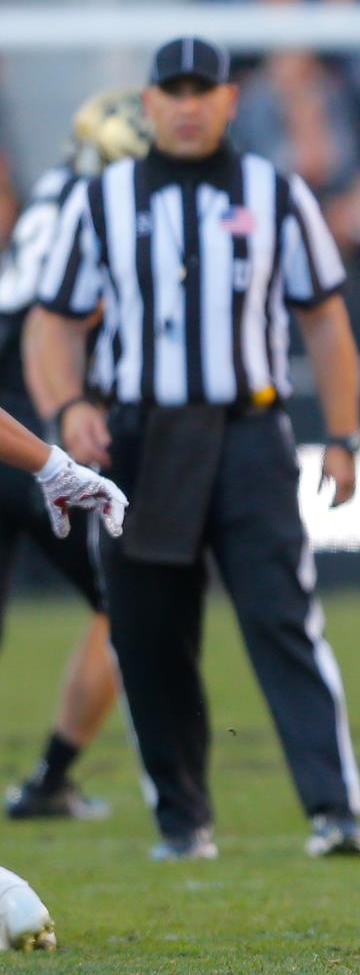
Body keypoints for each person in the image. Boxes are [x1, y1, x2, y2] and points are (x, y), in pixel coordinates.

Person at [27, 36, 360, 863]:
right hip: (139, 438)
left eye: (201, 90)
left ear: (228, 100)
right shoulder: (101, 198)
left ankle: (335, 810)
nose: (187, 106)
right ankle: (183, 821)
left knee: (282, 617)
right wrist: (69, 406)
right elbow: (54, 322)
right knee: (147, 630)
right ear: (149, 103)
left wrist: (343, 432)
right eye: (173, 91)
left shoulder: (275, 192)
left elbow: (325, 317)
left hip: (249, 432)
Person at [3, 91, 147, 821]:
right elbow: (73, 314)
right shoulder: (101, 206)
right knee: (133, 601)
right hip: (34, 419)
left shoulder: (49, 195)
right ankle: (52, 778)